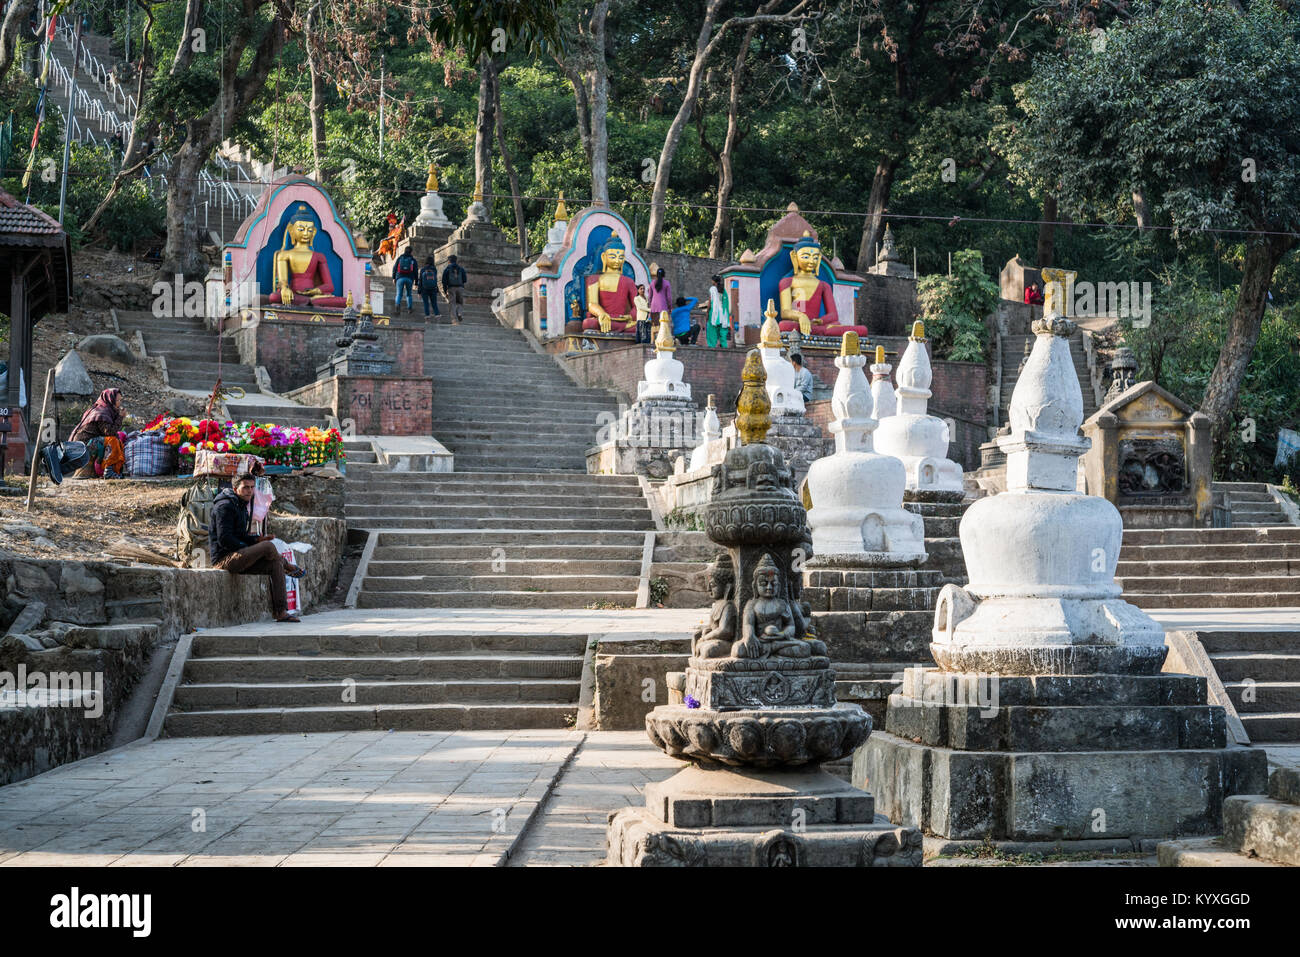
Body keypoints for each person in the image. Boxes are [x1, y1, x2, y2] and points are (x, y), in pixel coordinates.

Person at [210, 472, 305, 624]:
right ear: (235, 489)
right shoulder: (225, 507)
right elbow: (225, 539)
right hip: (224, 559)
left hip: (239, 556)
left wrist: (256, 540)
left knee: (275, 564)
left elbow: (240, 536)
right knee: (268, 547)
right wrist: (250, 547)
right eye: (245, 487)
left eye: (252, 487)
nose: (250, 491)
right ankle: (288, 565)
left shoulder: (240, 505)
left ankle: (281, 612)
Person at [69, 388, 125, 479]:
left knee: (116, 439)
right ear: (110, 400)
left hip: (86, 443)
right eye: (117, 400)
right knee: (112, 440)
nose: (119, 403)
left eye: (120, 400)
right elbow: (109, 432)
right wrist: (120, 417)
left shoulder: (105, 410)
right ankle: (108, 471)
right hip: (83, 445)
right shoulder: (101, 412)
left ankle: (111, 470)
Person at [706, 274, 731, 348]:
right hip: (723, 314)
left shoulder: (713, 289)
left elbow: (710, 302)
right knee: (723, 331)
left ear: (713, 281)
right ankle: (724, 346)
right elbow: (726, 303)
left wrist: (707, 312)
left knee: (712, 330)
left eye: (712, 280)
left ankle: (712, 346)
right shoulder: (723, 290)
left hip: (714, 313)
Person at [442, 255, 468, 323]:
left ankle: (454, 319)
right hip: (460, 287)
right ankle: (459, 313)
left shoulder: (447, 269)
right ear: (456, 260)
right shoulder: (461, 268)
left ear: (449, 261)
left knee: (452, 303)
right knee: (460, 302)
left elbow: (444, 281)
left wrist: (445, 291)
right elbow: (465, 280)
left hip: (451, 288)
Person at [392, 248, 418, 314]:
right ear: (411, 252)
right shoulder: (413, 260)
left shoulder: (400, 258)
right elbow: (416, 271)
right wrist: (416, 282)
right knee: (409, 294)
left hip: (400, 277)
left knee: (399, 294)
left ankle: (397, 306)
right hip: (409, 278)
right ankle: (409, 308)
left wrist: (394, 277)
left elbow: (395, 268)